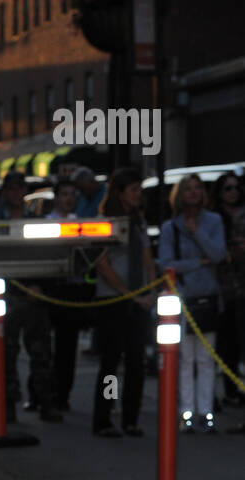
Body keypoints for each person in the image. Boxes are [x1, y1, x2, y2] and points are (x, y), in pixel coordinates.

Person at [0, 171, 62, 423]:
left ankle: (45, 402)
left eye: (20, 188)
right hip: (6, 297)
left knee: (41, 354)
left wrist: (41, 287)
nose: (16, 193)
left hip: (33, 295)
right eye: (11, 189)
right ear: (5, 192)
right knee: (6, 354)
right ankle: (9, 405)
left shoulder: (35, 222)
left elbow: (47, 258)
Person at [158, 174, 227, 433]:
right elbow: (166, 264)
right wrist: (199, 263)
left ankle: (206, 413)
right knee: (185, 359)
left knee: (207, 359)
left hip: (208, 296)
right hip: (181, 299)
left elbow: (219, 255)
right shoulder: (170, 227)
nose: (194, 192)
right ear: (179, 193)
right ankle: (186, 413)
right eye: (188, 188)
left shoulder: (214, 221)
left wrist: (198, 234)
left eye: (198, 188)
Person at [91, 167, 156, 438]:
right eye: (134, 191)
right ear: (120, 193)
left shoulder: (137, 220)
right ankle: (103, 419)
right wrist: (128, 293)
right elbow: (102, 264)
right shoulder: (105, 221)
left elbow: (146, 257)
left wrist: (150, 289)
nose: (138, 195)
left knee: (136, 361)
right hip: (112, 299)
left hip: (139, 299)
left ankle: (131, 418)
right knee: (111, 361)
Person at [42, 177, 96, 411]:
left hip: (73, 290)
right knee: (44, 346)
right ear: (56, 198)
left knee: (67, 346)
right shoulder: (46, 223)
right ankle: (41, 393)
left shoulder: (81, 223)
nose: (69, 199)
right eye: (64, 194)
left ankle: (62, 395)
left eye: (72, 194)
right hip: (51, 289)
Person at [210, 171, 245, 411]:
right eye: (227, 188)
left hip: (242, 283)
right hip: (222, 286)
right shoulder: (214, 218)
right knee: (225, 342)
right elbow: (216, 253)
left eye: (236, 187)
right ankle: (230, 390)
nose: (233, 192)